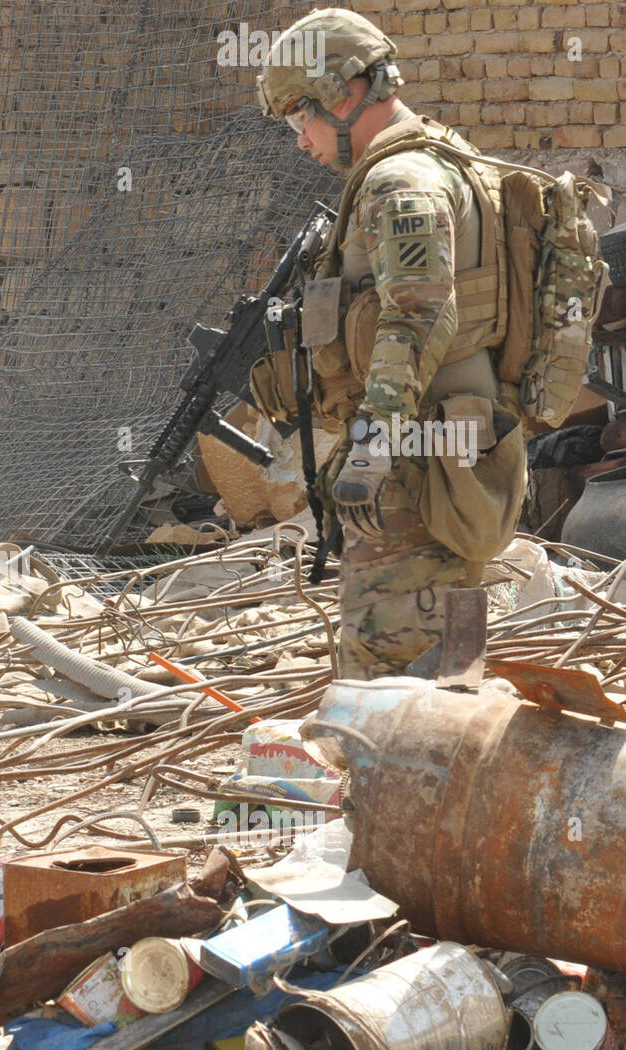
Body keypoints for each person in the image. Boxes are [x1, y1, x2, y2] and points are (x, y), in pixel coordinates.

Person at [255, 8, 526, 679]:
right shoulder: (432, 159)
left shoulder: (401, 182)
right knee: (430, 668)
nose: (300, 140)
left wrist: (372, 452)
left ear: (342, 93)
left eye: (300, 118)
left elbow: (419, 313)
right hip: (432, 446)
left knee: (392, 671)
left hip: (414, 462)